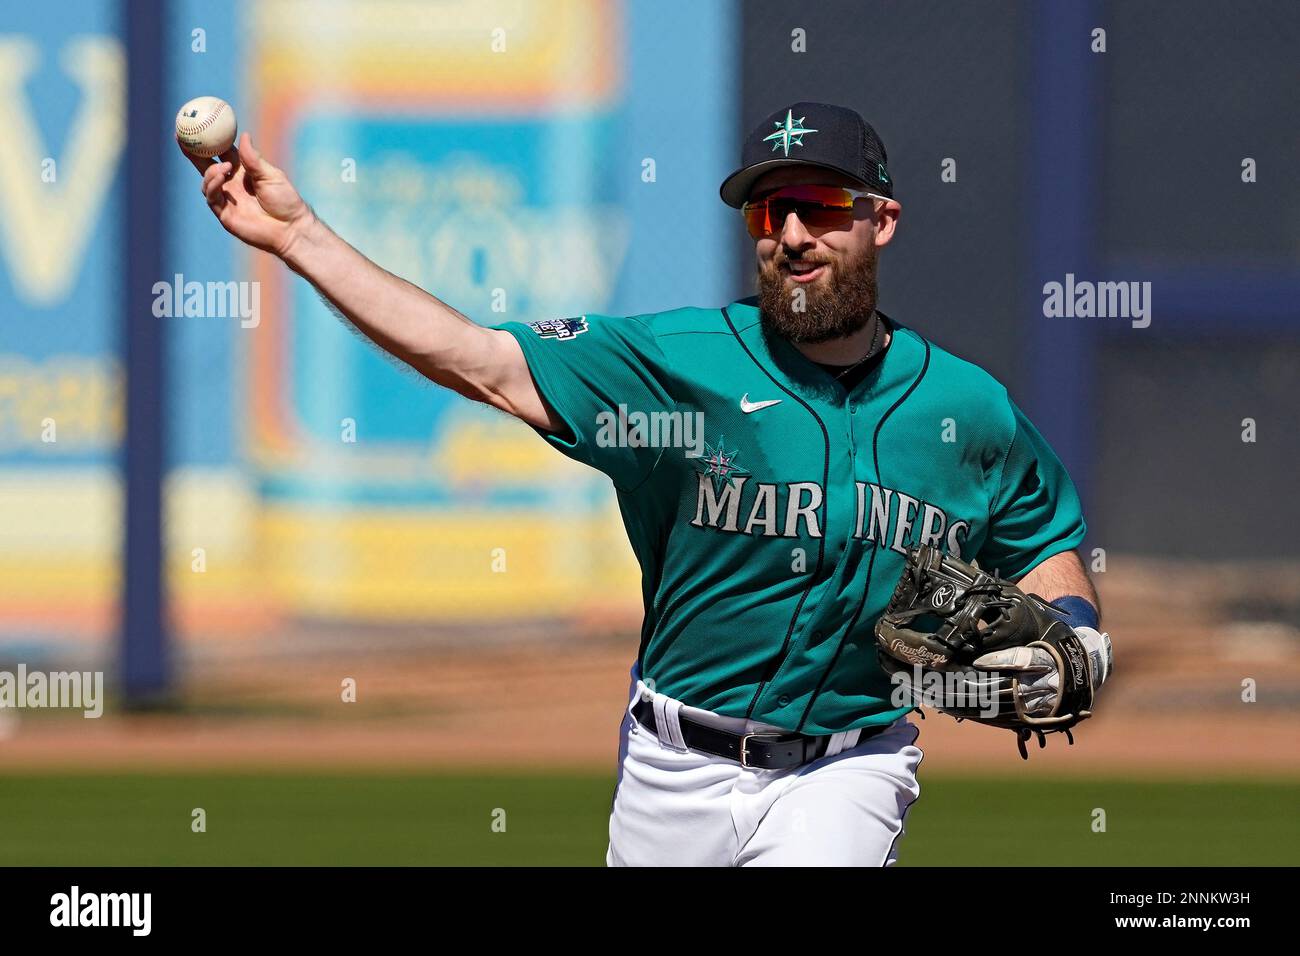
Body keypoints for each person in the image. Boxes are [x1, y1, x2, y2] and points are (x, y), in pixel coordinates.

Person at [182, 100, 1111, 867]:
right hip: (674, 768)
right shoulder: (675, 363)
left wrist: (1074, 632)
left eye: (822, 205)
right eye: (767, 211)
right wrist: (298, 236)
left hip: (848, 767)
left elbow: (1040, 538)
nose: (792, 234)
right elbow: (477, 360)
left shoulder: (965, 408)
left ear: (882, 220)